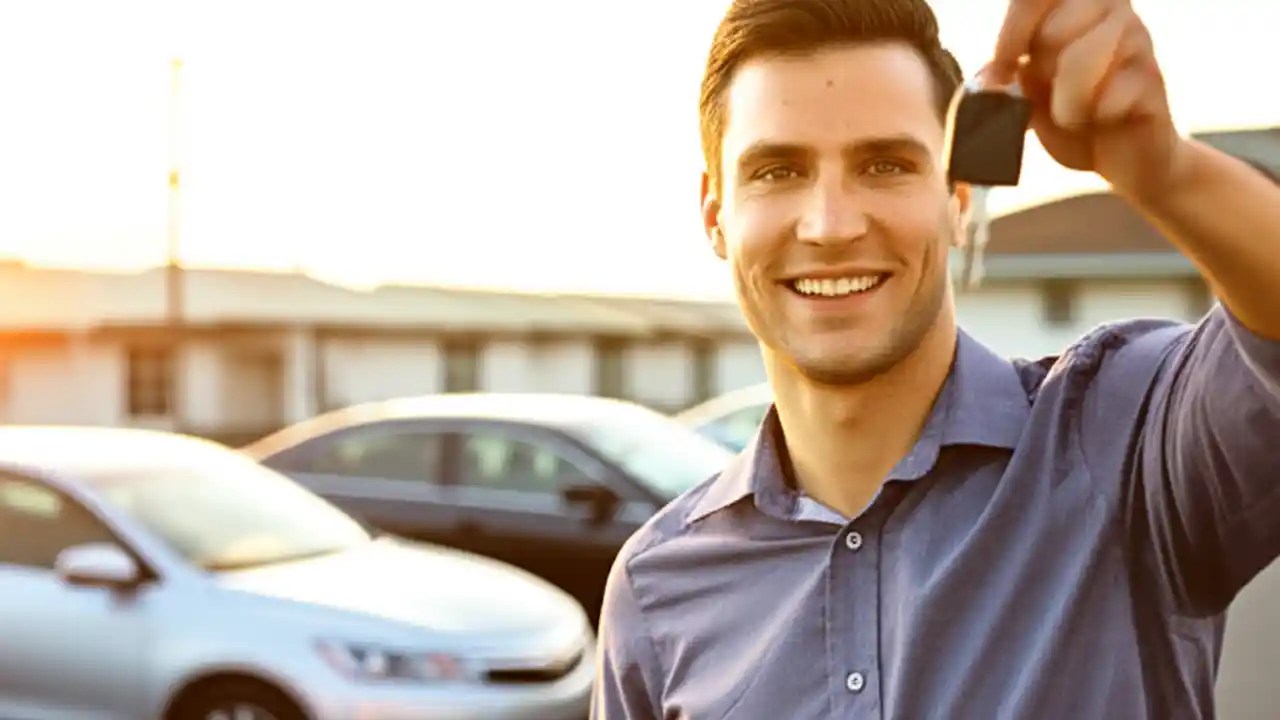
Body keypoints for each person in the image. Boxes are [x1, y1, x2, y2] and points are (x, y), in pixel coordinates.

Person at [591, 0, 1280, 717]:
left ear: (957, 197)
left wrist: (1166, 169)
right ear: (715, 216)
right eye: (777, 171)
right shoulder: (653, 588)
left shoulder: (1119, 443)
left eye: (884, 164)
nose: (831, 225)